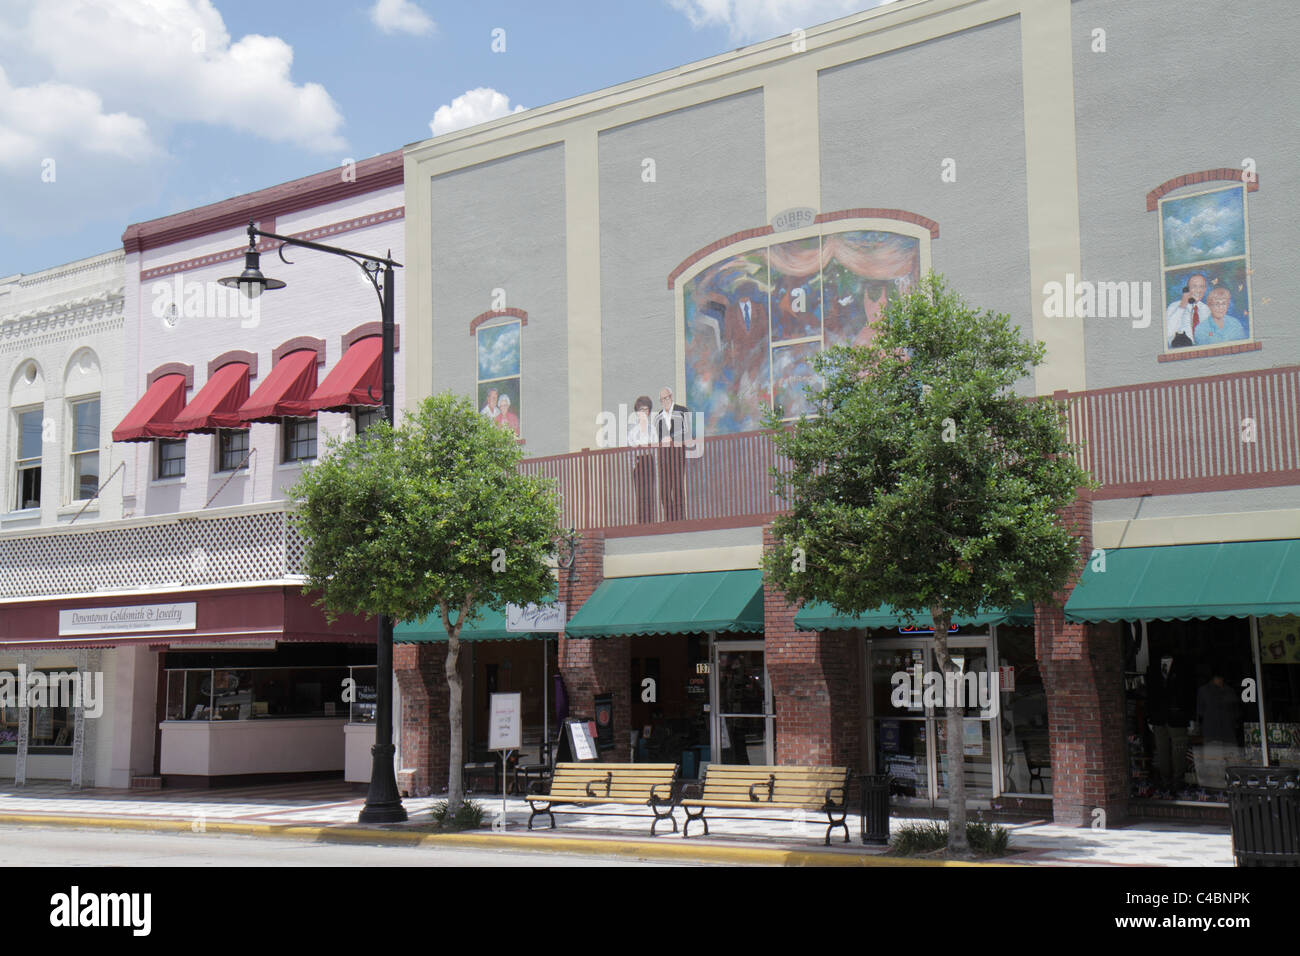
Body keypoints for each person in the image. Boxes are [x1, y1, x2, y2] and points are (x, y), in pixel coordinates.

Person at [1195, 667, 1240, 790]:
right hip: (1213, 733)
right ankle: (1217, 791)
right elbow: (1200, 713)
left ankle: (1230, 789)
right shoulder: (1204, 691)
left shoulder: (1230, 691)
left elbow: (1236, 713)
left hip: (1227, 734)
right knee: (1215, 767)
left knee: (1231, 767)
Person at [654, 385, 690, 521]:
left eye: (666, 398)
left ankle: (680, 518)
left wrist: (672, 438)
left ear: (671, 396)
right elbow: (659, 437)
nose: (664, 401)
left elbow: (686, 432)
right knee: (664, 488)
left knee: (678, 486)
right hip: (664, 457)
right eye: (662, 399)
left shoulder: (682, 410)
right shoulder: (658, 416)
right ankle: (669, 518)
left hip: (678, 455)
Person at [627, 395, 656, 524]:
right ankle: (642, 522)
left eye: (646, 409)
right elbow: (630, 451)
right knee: (640, 494)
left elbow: (655, 447)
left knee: (649, 493)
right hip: (638, 464)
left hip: (649, 462)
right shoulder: (633, 432)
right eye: (641, 410)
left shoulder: (653, 430)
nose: (643, 412)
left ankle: (650, 521)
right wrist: (634, 466)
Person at [1164, 273, 1208, 348]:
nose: (1198, 290)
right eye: (1194, 286)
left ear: (1205, 289)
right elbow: (1166, 333)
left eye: (1201, 287)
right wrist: (1182, 306)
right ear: (1187, 289)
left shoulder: (1207, 309)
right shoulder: (1174, 307)